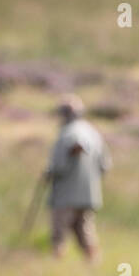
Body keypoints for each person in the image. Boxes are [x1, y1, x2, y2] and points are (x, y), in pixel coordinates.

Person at [44, 94, 111, 261]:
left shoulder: (68, 133)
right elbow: (105, 165)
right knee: (85, 233)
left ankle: (55, 265)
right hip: (89, 194)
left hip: (66, 195)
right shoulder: (94, 133)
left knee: (59, 234)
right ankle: (93, 265)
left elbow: (63, 161)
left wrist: (50, 172)